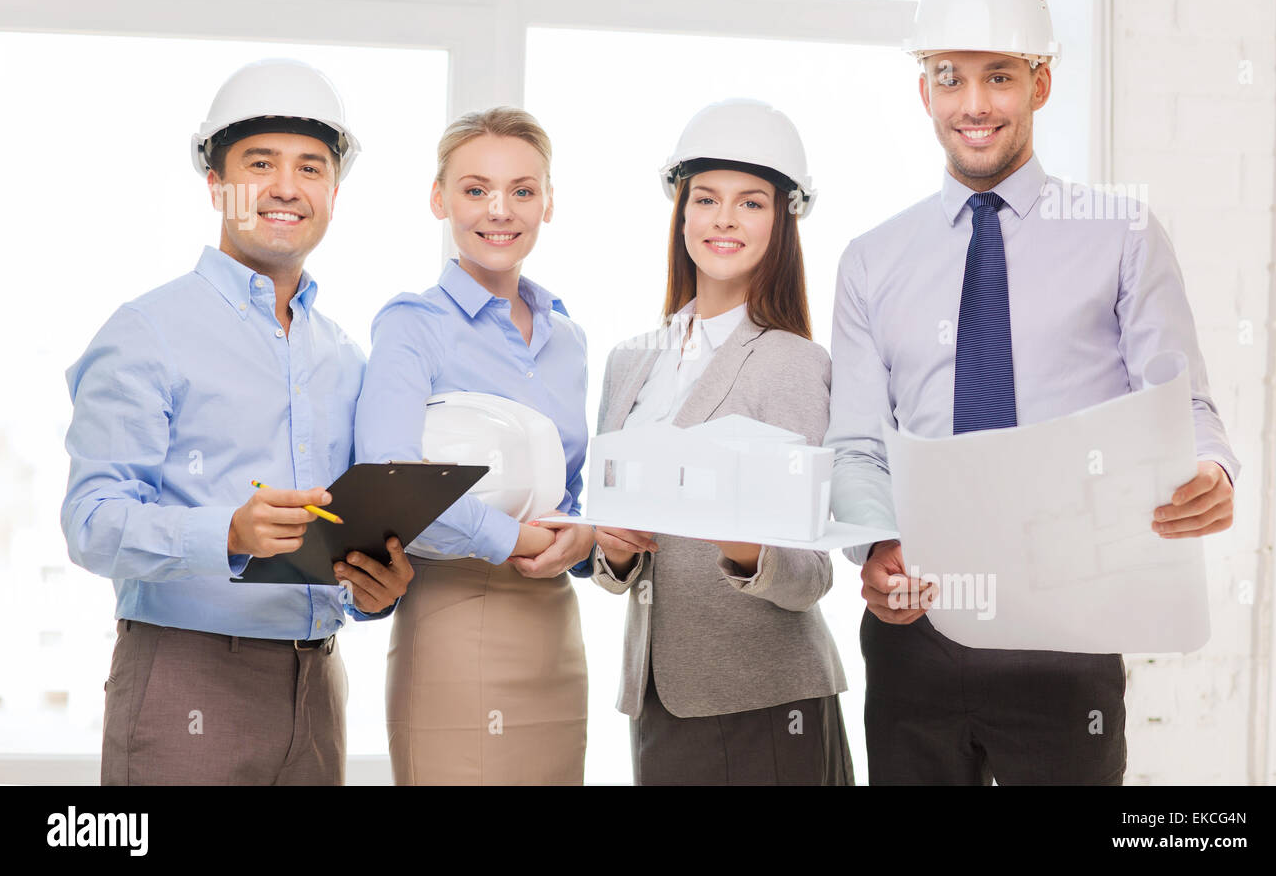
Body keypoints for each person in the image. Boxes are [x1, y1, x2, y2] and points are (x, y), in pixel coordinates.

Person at [824, 0, 1239, 785]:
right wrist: (876, 545)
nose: (974, 105)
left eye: (1000, 77)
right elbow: (858, 444)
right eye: (951, 78)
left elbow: (1179, 397)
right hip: (919, 635)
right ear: (925, 92)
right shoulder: (872, 262)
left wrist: (1211, 468)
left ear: (1040, 84)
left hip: (1070, 630)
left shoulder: (1120, 233)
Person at [62, 58, 413, 786]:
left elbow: (344, 532)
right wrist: (226, 532)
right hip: (186, 675)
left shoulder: (346, 357)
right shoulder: (146, 331)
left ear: (334, 193)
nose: (287, 186)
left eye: (311, 168)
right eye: (261, 163)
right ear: (217, 185)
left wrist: (374, 588)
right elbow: (91, 522)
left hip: (319, 686)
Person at [572, 99, 853, 785]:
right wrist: (608, 549)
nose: (724, 219)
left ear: (782, 223)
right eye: (707, 199)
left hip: (764, 702)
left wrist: (744, 547)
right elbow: (619, 561)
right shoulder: (629, 362)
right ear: (683, 212)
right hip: (659, 700)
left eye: (751, 203)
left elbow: (814, 573)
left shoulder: (792, 362)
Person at [354, 106, 594, 785]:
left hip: (554, 631)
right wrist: (516, 539)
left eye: (523, 189)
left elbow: (570, 487)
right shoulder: (412, 326)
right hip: (455, 622)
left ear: (548, 203)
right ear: (440, 199)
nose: (501, 209)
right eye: (475, 188)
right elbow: (390, 480)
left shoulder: (567, 338)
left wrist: (582, 536)